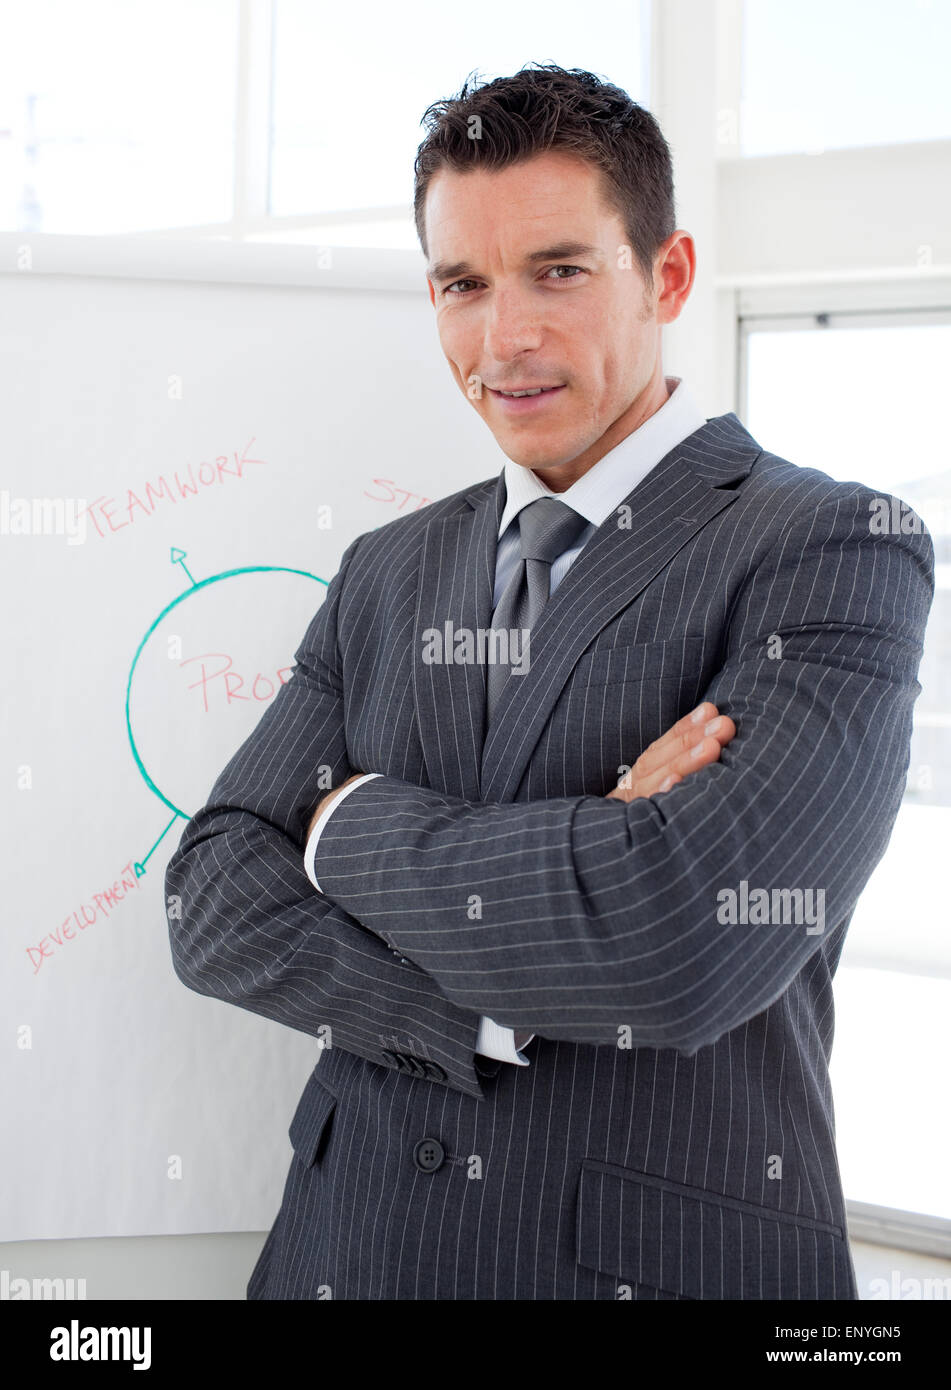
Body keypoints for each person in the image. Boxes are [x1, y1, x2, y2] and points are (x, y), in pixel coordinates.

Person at [164, 64, 933, 1300]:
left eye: (560, 270)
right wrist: (515, 960)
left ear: (668, 276)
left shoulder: (833, 547)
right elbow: (210, 897)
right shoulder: (388, 567)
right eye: (462, 283)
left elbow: (681, 937)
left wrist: (338, 822)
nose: (503, 336)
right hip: (339, 1254)